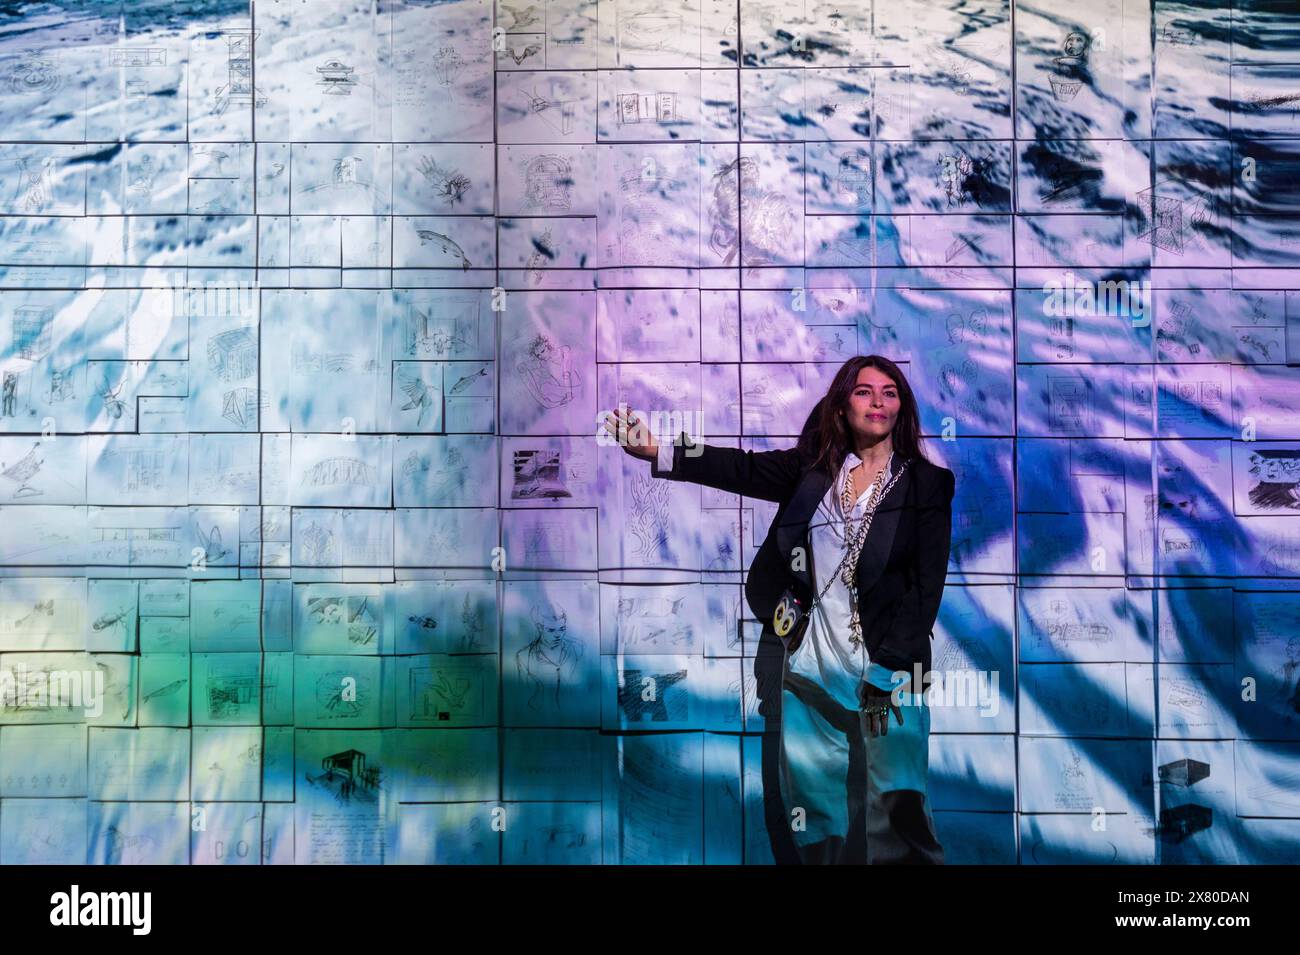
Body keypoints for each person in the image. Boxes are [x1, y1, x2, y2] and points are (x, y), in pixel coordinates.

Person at [604, 355, 955, 864]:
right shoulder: (813, 473)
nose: (878, 401)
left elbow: (927, 590)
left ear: (902, 408)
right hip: (811, 670)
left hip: (890, 678)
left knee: (898, 810)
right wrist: (659, 450)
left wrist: (889, 669)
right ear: (842, 404)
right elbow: (739, 467)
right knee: (815, 815)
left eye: (890, 392)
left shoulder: (926, 484)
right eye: (864, 391)